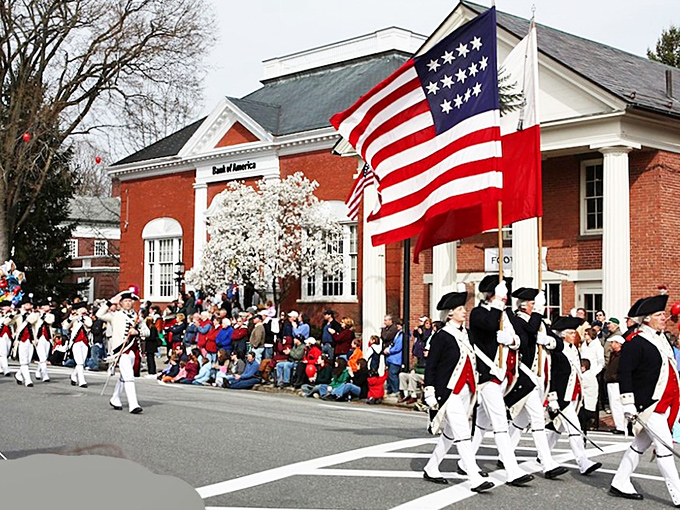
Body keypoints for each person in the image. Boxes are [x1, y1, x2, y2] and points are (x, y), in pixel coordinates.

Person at [464, 275, 534, 486]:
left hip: (505, 374)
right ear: (490, 296)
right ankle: (512, 470)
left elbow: (521, 338)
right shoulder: (478, 313)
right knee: (500, 422)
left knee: (482, 422)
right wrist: (496, 305)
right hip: (487, 374)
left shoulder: (504, 314)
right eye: (500, 295)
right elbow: (488, 325)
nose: (504, 299)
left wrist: (512, 340)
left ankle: (463, 460)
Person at [610, 294, 680, 504]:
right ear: (647, 318)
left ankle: (620, 481)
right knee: (665, 447)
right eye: (659, 315)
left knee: (639, 444)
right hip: (647, 405)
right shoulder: (635, 342)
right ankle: (678, 494)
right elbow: (625, 372)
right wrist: (628, 403)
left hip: (662, 403)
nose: (664, 317)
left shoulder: (662, 338)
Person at [422, 289, 494, 493]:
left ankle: (432, 466)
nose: (465, 311)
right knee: (463, 432)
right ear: (450, 313)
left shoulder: (467, 334)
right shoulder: (442, 336)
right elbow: (431, 366)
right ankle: (474, 477)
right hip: (449, 391)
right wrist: (429, 390)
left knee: (451, 432)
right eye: (461, 309)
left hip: (466, 391)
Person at [505, 287, 568, 480]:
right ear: (523, 305)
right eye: (533, 304)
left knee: (522, 419)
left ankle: (504, 452)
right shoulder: (515, 319)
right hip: (525, 375)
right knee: (537, 418)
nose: (536, 307)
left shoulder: (538, 322)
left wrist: (548, 340)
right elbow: (529, 332)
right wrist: (539, 314)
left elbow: (560, 344)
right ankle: (547, 462)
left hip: (542, 376)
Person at [545, 316, 602, 475]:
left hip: (574, 394)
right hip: (562, 395)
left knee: (557, 426)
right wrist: (553, 397)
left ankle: (543, 454)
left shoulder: (574, 348)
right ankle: (583, 462)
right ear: (563, 335)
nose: (574, 335)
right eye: (571, 332)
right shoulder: (557, 351)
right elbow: (553, 375)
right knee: (574, 428)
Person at [97, 288, 149, 414]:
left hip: (133, 349)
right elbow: (99, 314)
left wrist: (138, 332)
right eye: (125, 301)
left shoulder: (137, 317)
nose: (128, 303)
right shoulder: (115, 316)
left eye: (130, 301)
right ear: (120, 303)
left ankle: (115, 398)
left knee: (124, 375)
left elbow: (147, 332)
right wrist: (110, 302)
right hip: (121, 349)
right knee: (129, 376)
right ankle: (133, 404)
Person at [11, 294, 38, 387]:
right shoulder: (18, 315)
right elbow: (7, 322)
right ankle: (28, 380)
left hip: (31, 340)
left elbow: (31, 320)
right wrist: (13, 314)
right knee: (23, 361)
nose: (29, 306)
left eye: (30, 304)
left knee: (27, 361)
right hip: (20, 340)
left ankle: (19, 374)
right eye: (27, 304)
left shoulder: (34, 314)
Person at [64, 302, 92, 388]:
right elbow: (65, 326)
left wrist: (82, 317)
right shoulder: (74, 318)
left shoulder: (87, 318)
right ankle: (82, 381)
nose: (83, 310)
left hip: (85, 342)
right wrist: (72, 317)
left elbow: (89, 324)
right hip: (75, 341)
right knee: (79, 361)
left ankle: (74, 375)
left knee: (82, 362)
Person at [605, 334, 626, 434]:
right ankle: (619, 425)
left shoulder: (622, 356)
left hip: (616, 382)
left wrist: (614, 377)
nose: (611, 344)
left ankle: (621, 426)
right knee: (614, 404)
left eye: (613, 342)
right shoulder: (614, 355)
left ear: (619, 344)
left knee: (617, 404)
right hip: (611, 381)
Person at [33, 298, 55, 383]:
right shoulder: (36, 315)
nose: (47, 307)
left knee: (44, 356)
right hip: (38, 338)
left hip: (47, 337)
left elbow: (50, 321)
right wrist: (36, 313)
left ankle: (38, 371)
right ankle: (45, 375)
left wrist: (43, 315)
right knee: (42, 357)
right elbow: (30, 321)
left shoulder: (50, 315)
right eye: (45, 306)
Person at [383, 319, 403, 396]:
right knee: (389, 374)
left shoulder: (402, 335)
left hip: (396, 358)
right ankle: (390, 389)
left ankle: (396, 390)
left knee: (393, 374)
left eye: (399, 325)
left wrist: (389, 350)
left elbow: (398, 347)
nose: (397, 326)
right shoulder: (398, 334)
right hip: (392, 358)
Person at [0, 300, 14, 376]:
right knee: (3, 353)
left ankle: (1, 368)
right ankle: (6, 369)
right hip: (1, 335)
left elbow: (11, 323)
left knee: (7, 352)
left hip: (9, 335)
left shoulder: (12, 315)